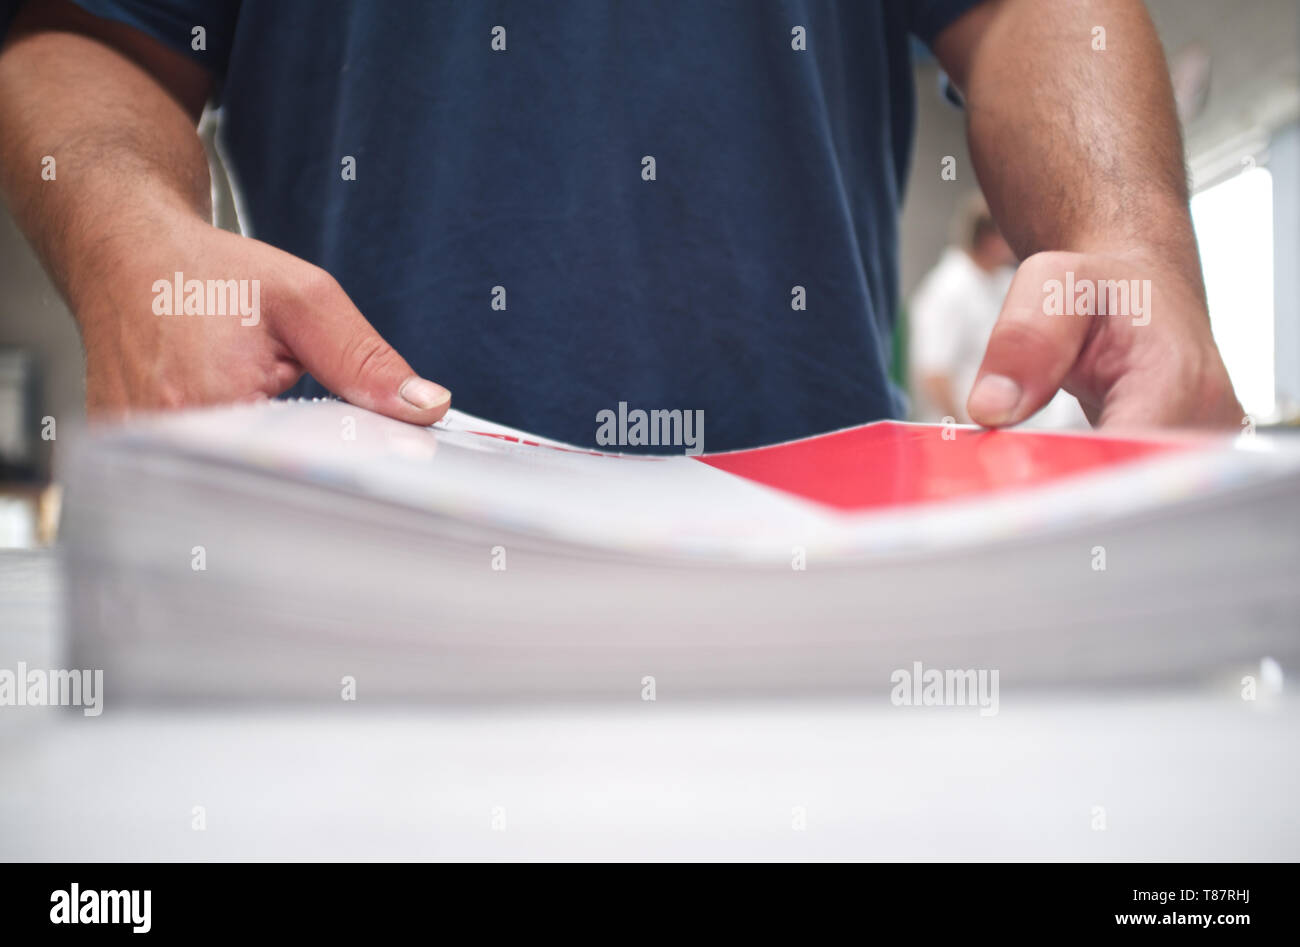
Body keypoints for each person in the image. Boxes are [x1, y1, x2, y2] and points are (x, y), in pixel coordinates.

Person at [0, 0, 1242, 453]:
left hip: (826, 573)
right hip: (361, 558)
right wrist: (132, 243)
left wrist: (1132, 235)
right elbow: (95, 30)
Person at [911, 193, 1089, 429]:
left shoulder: (1002, 280)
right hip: (967, 433)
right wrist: (963, 431)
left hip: (1002, 430)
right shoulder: (947, 289)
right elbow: (935, 375)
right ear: (989, 239)